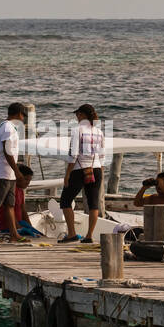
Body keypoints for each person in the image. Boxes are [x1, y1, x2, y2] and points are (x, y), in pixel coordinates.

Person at [58, 104, 105, 243]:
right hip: (96, 169)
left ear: (82, 115)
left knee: (65, 201)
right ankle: (89, 235)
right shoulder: (99, 132)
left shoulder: (77, 130)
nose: (76, 117)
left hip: (79, 169)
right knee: (93, 203)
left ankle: (72, 233)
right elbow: (102, 155)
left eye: (77, 114)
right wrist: (100, 171)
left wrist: (67, 174)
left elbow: (73, 154)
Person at [0, 102, 27, 243]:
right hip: (1, 173)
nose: (23, 119)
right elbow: (7, 151)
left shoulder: (11, 128)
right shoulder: (8, 127)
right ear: (18, 114)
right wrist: (18, 172)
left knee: (10, 205)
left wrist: (14, 173)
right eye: (23, 115)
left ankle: (14, 234)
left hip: (9, 174)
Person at [0, 164, 42, 238]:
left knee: (38, 234)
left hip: (20, 222)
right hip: (7, 226)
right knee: (32, 234)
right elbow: (7, 210)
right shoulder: (11, 190)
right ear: (17, 177)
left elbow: (23, 210)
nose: (28, 183)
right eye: (26, 179)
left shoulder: (20, 191)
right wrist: (18, 227)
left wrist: (29, 226)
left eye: (29, 180)